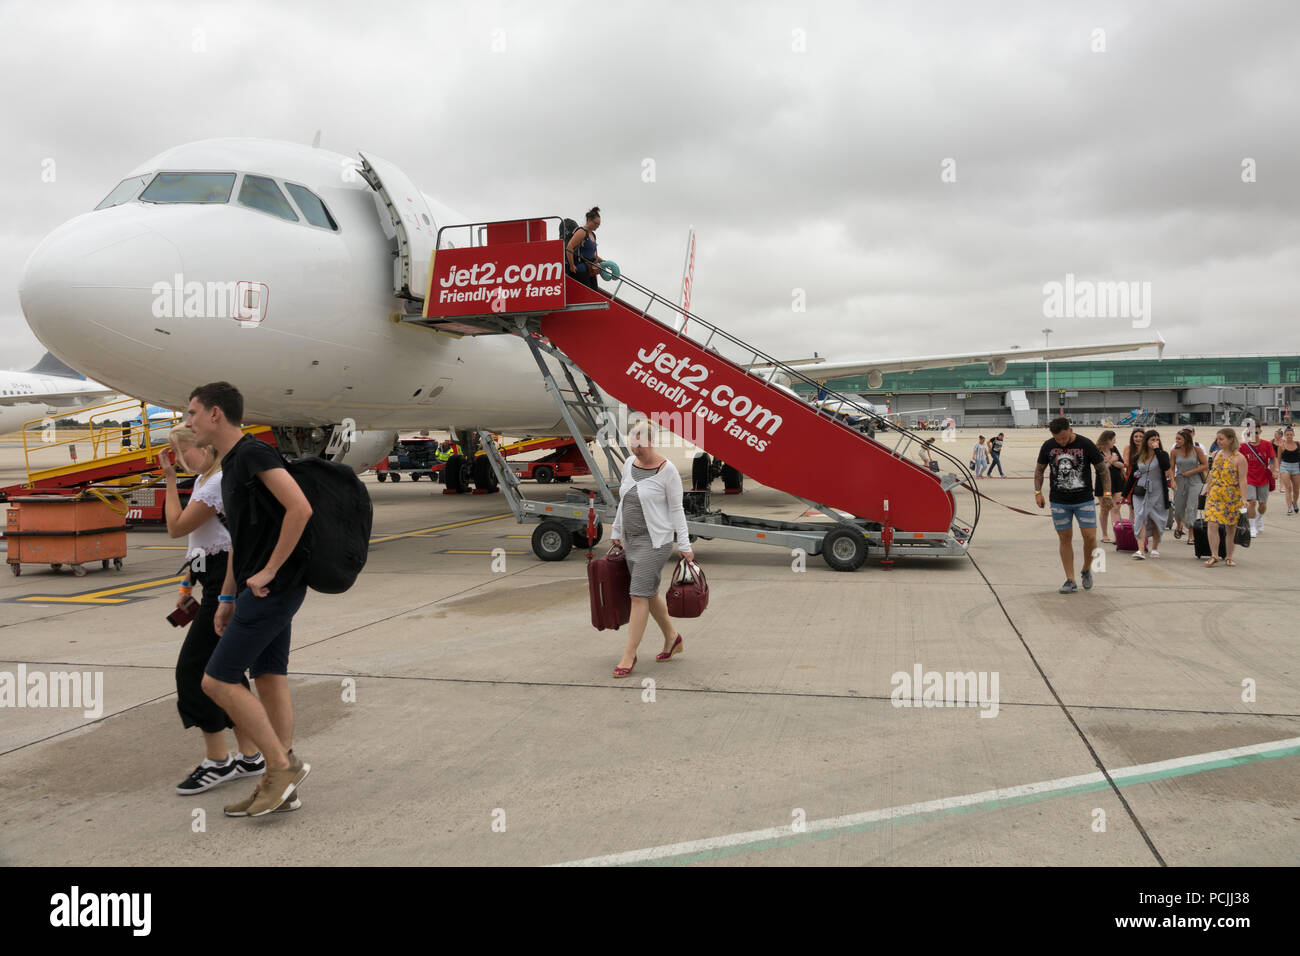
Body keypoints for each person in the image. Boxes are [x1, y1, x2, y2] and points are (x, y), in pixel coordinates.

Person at [186, 382, 313, 817]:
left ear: (215, 414)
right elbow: (240, 538)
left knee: (216, 680)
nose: (188, 422)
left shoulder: (253, 453)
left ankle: (280, 767)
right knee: (269, 676)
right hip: (255, 589)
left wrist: (271, 569)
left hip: (273, 587)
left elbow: (300, 508)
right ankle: (280, 786)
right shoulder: (232, 463)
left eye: (192, 413)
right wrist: (227, 595)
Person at [160, 426, 268, 797]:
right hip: (212, 579)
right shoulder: (206, 479)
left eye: (183, 450)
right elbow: (202, 544)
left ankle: (218, 761)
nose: (179, 459)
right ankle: (251, 756)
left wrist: (169, 481)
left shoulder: (216, 483)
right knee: (226, 672)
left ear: (206, 448)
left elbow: (176, 528)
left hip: (226, 583)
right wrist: (186, 586)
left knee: (193, 670)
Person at [609, 423, 694, 677]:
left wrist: (685, 544)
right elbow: (624, 501)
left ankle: (629, 655)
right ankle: (672, 637)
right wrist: (616, 531)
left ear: (652, 442)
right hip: (631, 540)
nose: (636, 451)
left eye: (640, 446)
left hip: (655, 542)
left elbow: (677, 509)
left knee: (637, 596)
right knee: (648, 593)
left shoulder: (667, 471)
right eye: (633, 446)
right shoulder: (628, 464)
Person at [1036, 417, 1108, 593]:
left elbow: (1103, 470)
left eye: (1063, 438)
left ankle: (1086, 568)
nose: (1061, 442)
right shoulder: (1048, 446)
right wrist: (1038, 492)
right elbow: (1039, 470)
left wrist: (1107, 494)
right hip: (1059, 501)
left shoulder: (1086, 444)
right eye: (1057, 439)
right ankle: (1070, 579)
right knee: (1064, 538)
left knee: (1090, 537)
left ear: (1071, 430)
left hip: (1084, 500)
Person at [1123, 430, 1172, 559]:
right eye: (1152, 440)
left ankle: (1155, 548)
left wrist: (1157, 450)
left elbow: (1166, 466)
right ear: (1147, 441)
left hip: (1158, 491)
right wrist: (1124, 494)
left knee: (1156, 518)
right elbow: (1132, 477)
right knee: (1140, 517)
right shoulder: (1138, 456)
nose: (1155, 442)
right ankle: (1140, 549)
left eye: (1157, 439)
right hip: (1140, 491)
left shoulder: (1162, 454)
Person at [1203, 427, 1248, 567]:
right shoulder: (1216, 454)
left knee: (1231, 527)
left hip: (1232, 496)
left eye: (1221, 439)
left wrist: (1244, 499)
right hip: (1215, 494)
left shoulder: (1239, 458)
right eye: (1217, 439)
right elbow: (1212, 473)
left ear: (1230, 439)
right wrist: (1207, 487)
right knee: (1212, 523)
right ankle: (1214, 555)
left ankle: (1229, 556)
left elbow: (1243, 480)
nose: (1218, 441)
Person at [1168, 429, 1208, 543]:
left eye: (1179, 439)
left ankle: (1191, 535)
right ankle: (1179, 524)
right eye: (1176, 439)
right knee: (1178, 508)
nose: (1176, 441)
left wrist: (1191, 472)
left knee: (1191, 507)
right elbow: (1171, 468)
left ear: (1186, 439)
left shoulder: (1197, 450)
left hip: (1195, 481)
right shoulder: (1174, 452)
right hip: (1180, 480)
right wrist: (1172, 481)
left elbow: (1205, 465)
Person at [1240, 428, 1277, 537]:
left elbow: (1273, 458)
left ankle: (1259, 518)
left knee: (1262, 504)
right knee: (1252, 502)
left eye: (1256, 432)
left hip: (1263, 477)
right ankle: (1251, 527)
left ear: (1260, 432)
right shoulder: (1243, 446)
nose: (1253, 435)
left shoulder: (1267, 444)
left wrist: (1275, 470)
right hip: (1248, 477)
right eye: (1250, 433)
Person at [1095, 430, 1124, 543]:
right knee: (1105, 509)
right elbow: (1101, 469)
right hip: (1104, 485)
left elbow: (1122, 464)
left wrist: (1110, 461)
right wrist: (1112, 460)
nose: (1114, 442)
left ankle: (1118, 536)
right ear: (1107, 440)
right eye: (1113, 440)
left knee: (1116, 508)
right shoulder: (1097, 451)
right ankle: (1105, 535)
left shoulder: (1114, 449)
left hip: (1117, 483)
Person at [565, 206, 603, 291]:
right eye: (595, 223)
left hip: (590, 269)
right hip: (581, 268)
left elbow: (593, 254)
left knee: (594, 292)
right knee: (586, 292)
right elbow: (569, 247)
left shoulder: (593, 235)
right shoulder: (582, 232)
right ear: (589, 220)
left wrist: (603, 261)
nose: (597, 226)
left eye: (599, 224)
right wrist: (572, 265)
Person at [1277, 425, 1299, 515]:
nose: (1289, 436)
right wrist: (1278, 469)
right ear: (1285, 435)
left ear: (1293, 435)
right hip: (1285, 466)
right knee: (1288, 488)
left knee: (1296, 489)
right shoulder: (1281, 446)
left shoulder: (1298, 444)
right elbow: (1279, 459)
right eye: (1287, 434)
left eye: (1291, 434)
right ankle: (1289, 508)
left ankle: (1295, 502)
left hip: (1296, 467)